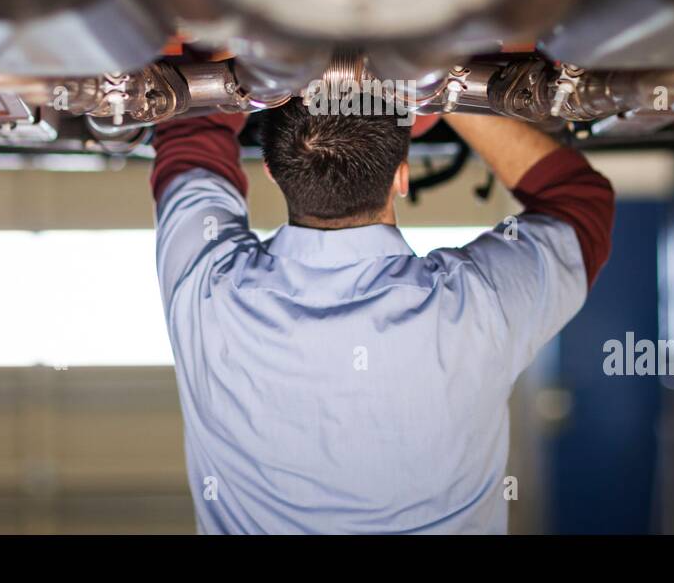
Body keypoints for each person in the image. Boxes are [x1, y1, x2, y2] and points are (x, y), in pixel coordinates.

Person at [151, 96, 614, 533]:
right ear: (402, 177)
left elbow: (578, 204)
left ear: (271, 172)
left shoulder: (472, 307)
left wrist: (448, 89)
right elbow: (193, 136)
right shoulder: (211, 296)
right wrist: (441, 90)